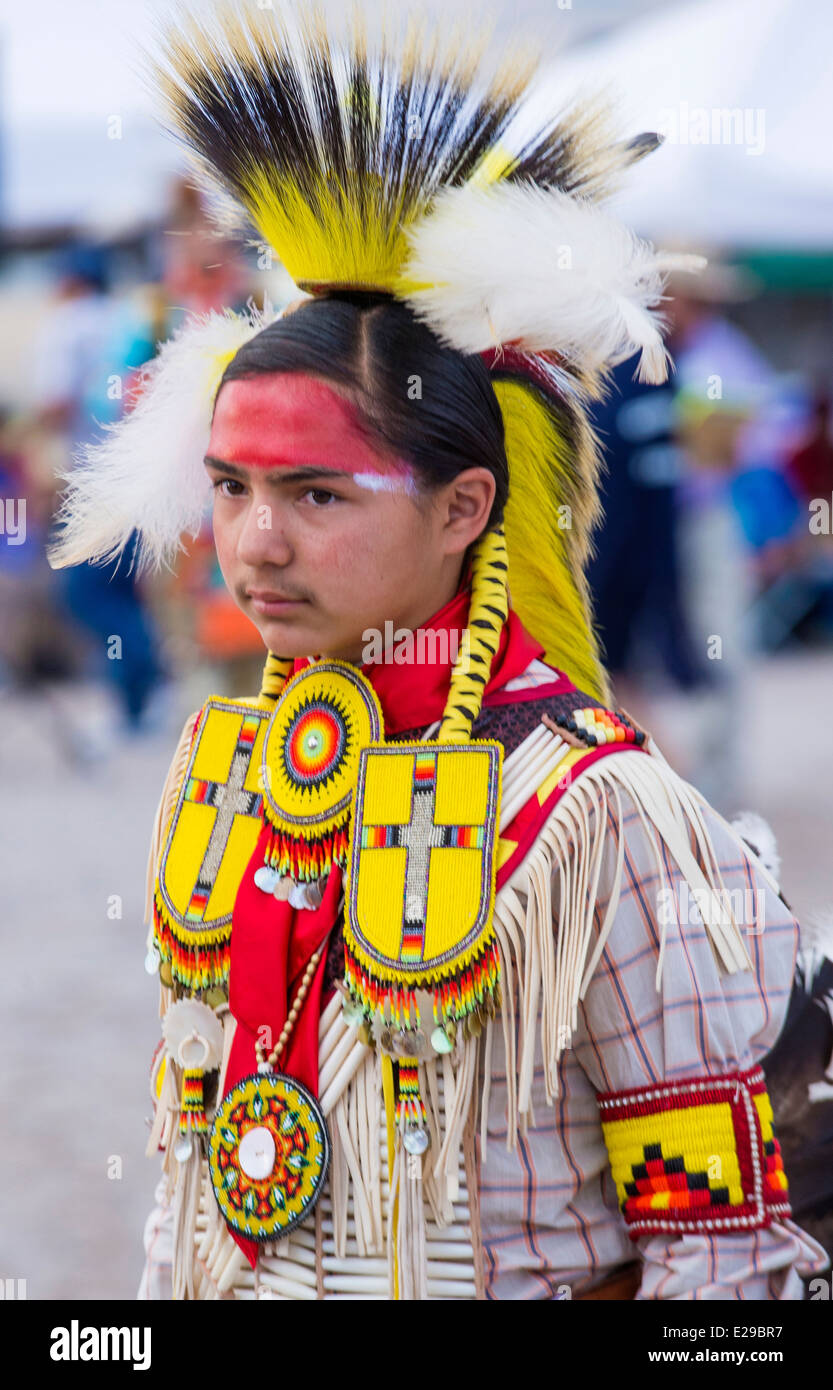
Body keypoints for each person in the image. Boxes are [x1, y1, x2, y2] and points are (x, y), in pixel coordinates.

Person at [48, 2, 828, 1301]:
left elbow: (722, 1273)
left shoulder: (602, 817)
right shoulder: (222, 771)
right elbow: (193, 1190)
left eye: (318, 495)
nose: (255, 543)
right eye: (231, 487)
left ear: (465, 507)